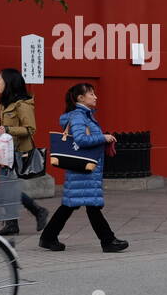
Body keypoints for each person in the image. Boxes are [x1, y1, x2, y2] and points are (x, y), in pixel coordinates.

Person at [38, 83, 129, 252]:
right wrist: (103, 137)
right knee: (90, 204)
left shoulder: (84, 115)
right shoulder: (79, 116)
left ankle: (48, 237)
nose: (95, 97)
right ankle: (108, 241)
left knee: (71, 204)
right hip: (83, 168)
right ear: (80, 98)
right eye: (91, 94)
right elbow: (80, 139)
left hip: (82, 169)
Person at [0, 68, 51, 236]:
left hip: (18, 151)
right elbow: (4, 130)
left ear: (8, 82)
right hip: (5, 151)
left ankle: (36, 211)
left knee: (7, 187)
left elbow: (30, 129)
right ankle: (14, 223)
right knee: (7, 187)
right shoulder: (5, 103)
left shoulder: (22, 104)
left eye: (0, 80)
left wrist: (8, 128)